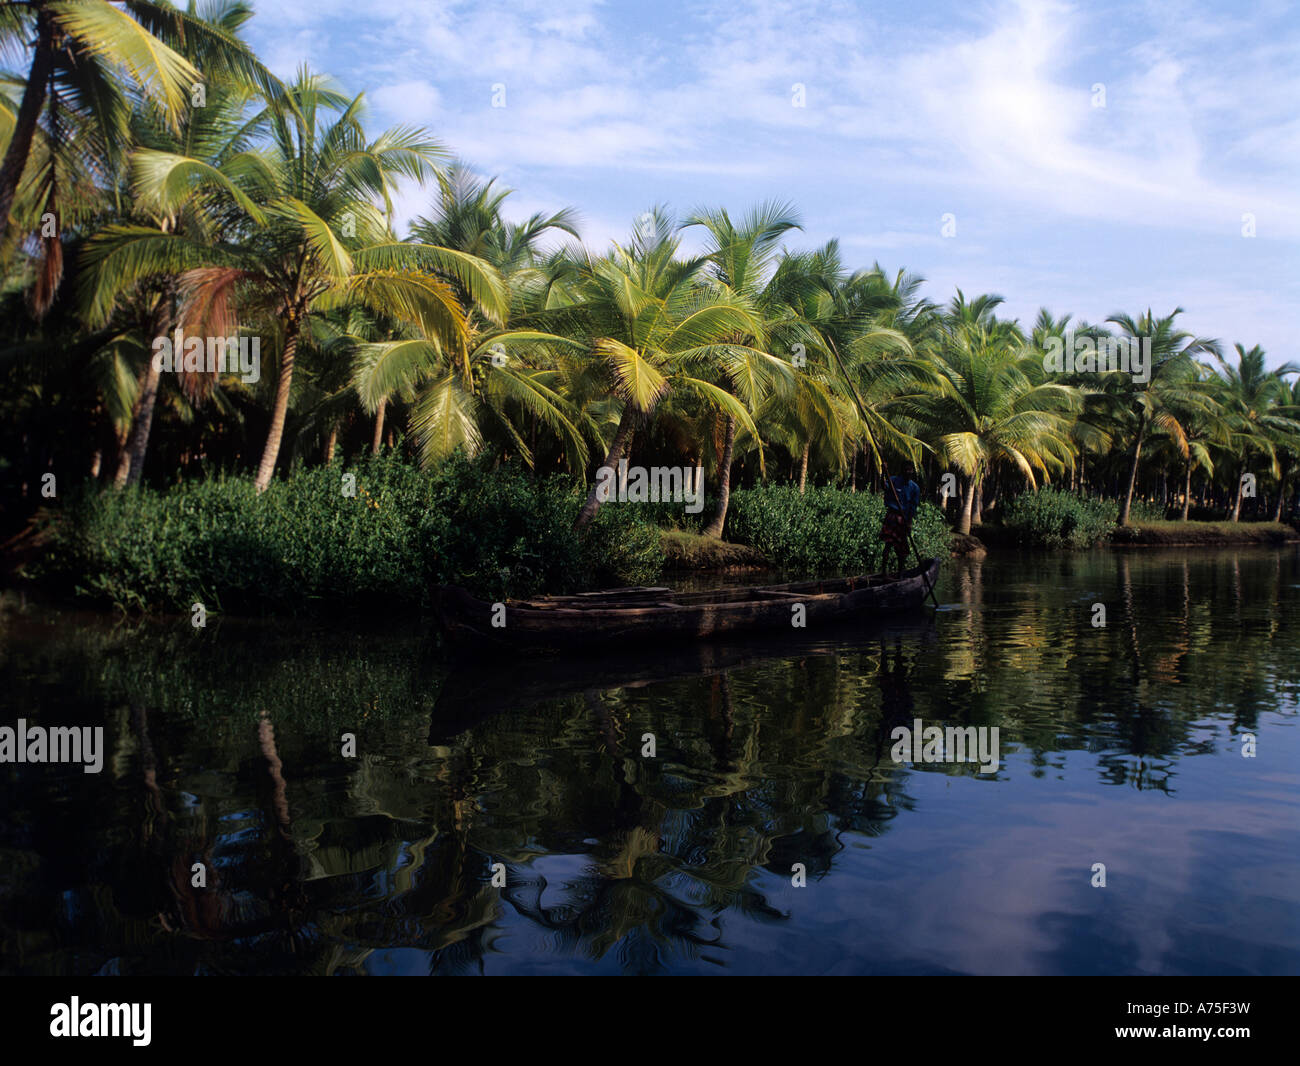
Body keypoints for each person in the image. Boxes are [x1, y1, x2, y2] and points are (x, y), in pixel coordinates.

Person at [880, 461, 920, 576]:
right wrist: (884, 472)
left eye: (910, 470)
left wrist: (909, 523)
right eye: (906, 470)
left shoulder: (914, 488)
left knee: (902, 549)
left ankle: (900, 573)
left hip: (903, 519)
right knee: (888, 544)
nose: (908, 472)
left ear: (912, 471)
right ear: (902, 471)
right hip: (892, 516)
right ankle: (884, 573)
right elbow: (883, 486)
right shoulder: (893, 480)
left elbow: (913, 507)